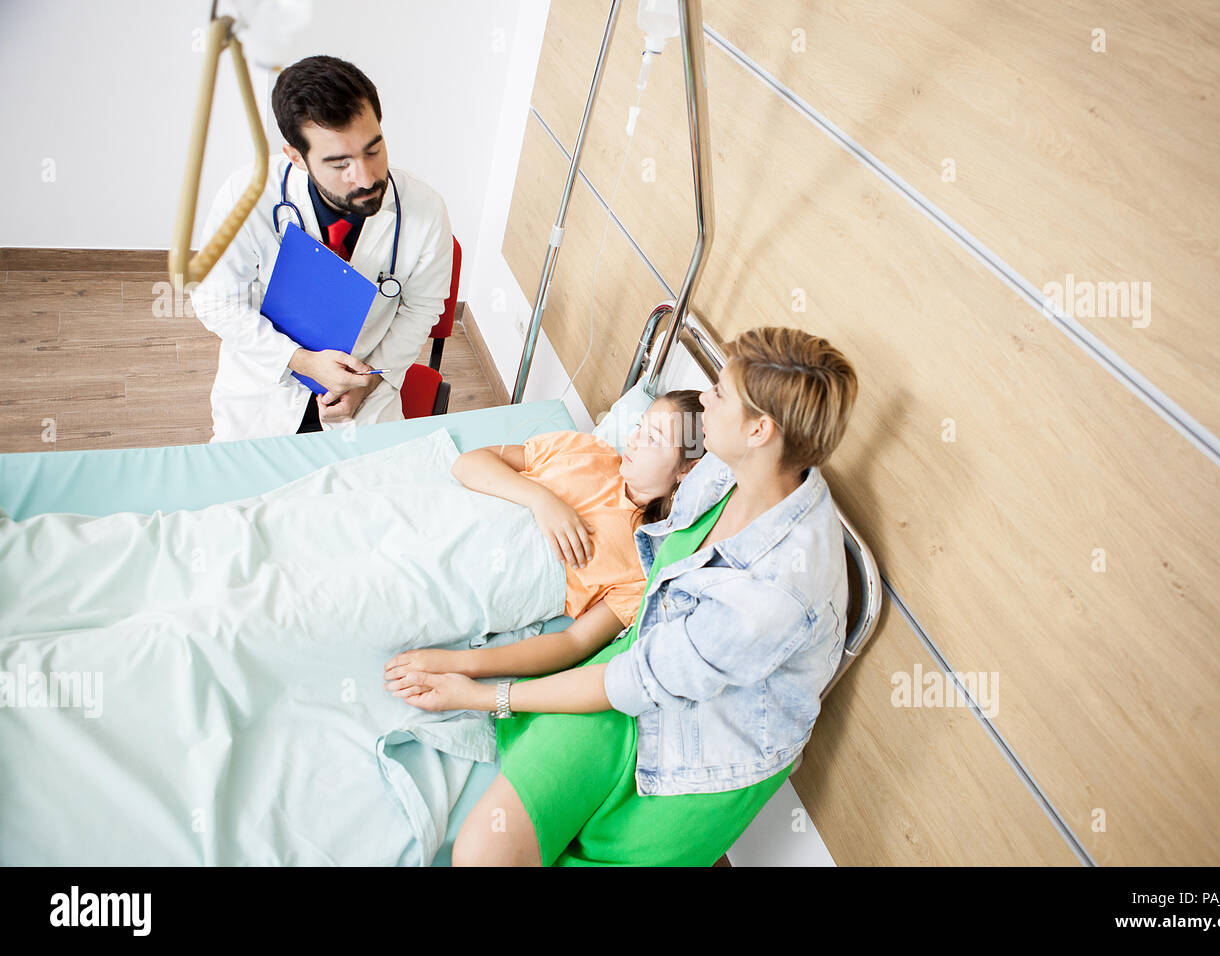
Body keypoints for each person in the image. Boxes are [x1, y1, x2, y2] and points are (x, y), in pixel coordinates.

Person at [386, 327, 859, 867]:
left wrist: (479, 695)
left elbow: (627, 678)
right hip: (635, 672)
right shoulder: (720, 473)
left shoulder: (771, 596)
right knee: (483, 851)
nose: (704, 398)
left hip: (703, 751)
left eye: (720, 394)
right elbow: (634, 661)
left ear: (760, 429)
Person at [190, 55, 454, 441]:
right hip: (265, 394)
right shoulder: (247, 196)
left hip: (365, 396)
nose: (365, 177)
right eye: (339, 163)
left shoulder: (425, 209)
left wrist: (369, 382)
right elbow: (216, 301)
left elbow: (422, 307)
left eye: (373, 149)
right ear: (296, 157)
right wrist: (302, 362)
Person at [384, 391, 706, 691]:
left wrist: (457, 664)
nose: (634, 440)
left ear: (687, 470)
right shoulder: (587, 451)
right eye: (640, 426)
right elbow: (467, 463)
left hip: (463, 583)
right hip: (436, 523)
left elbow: (572, 644)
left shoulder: (642, 562)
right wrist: (541, 500)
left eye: (653, 439)